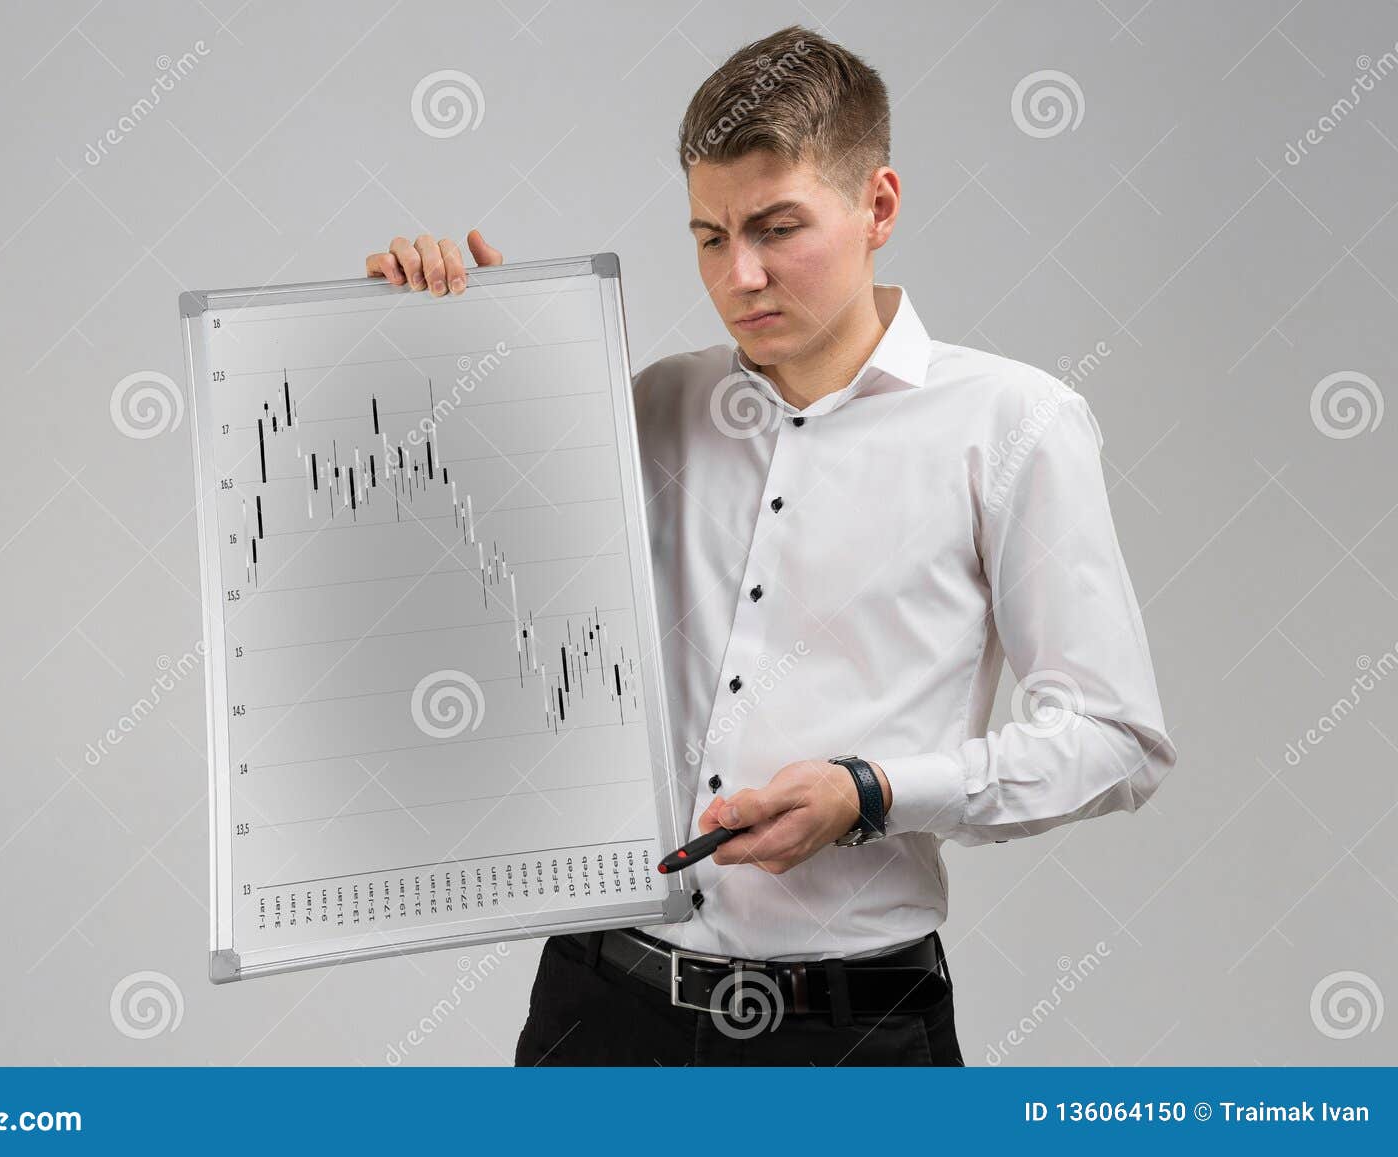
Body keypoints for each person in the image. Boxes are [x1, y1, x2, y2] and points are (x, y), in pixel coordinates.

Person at [364, 24, 1176, 1066]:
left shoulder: (1013, 424)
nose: (739, 274)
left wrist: (872, 792)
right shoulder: (656, 403)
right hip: (596, 1007)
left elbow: (1116, 737)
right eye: (708, 235)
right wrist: (437, 344)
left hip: (850, 1034)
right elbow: (475, 600)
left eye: (776, 226)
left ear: (878, 205)